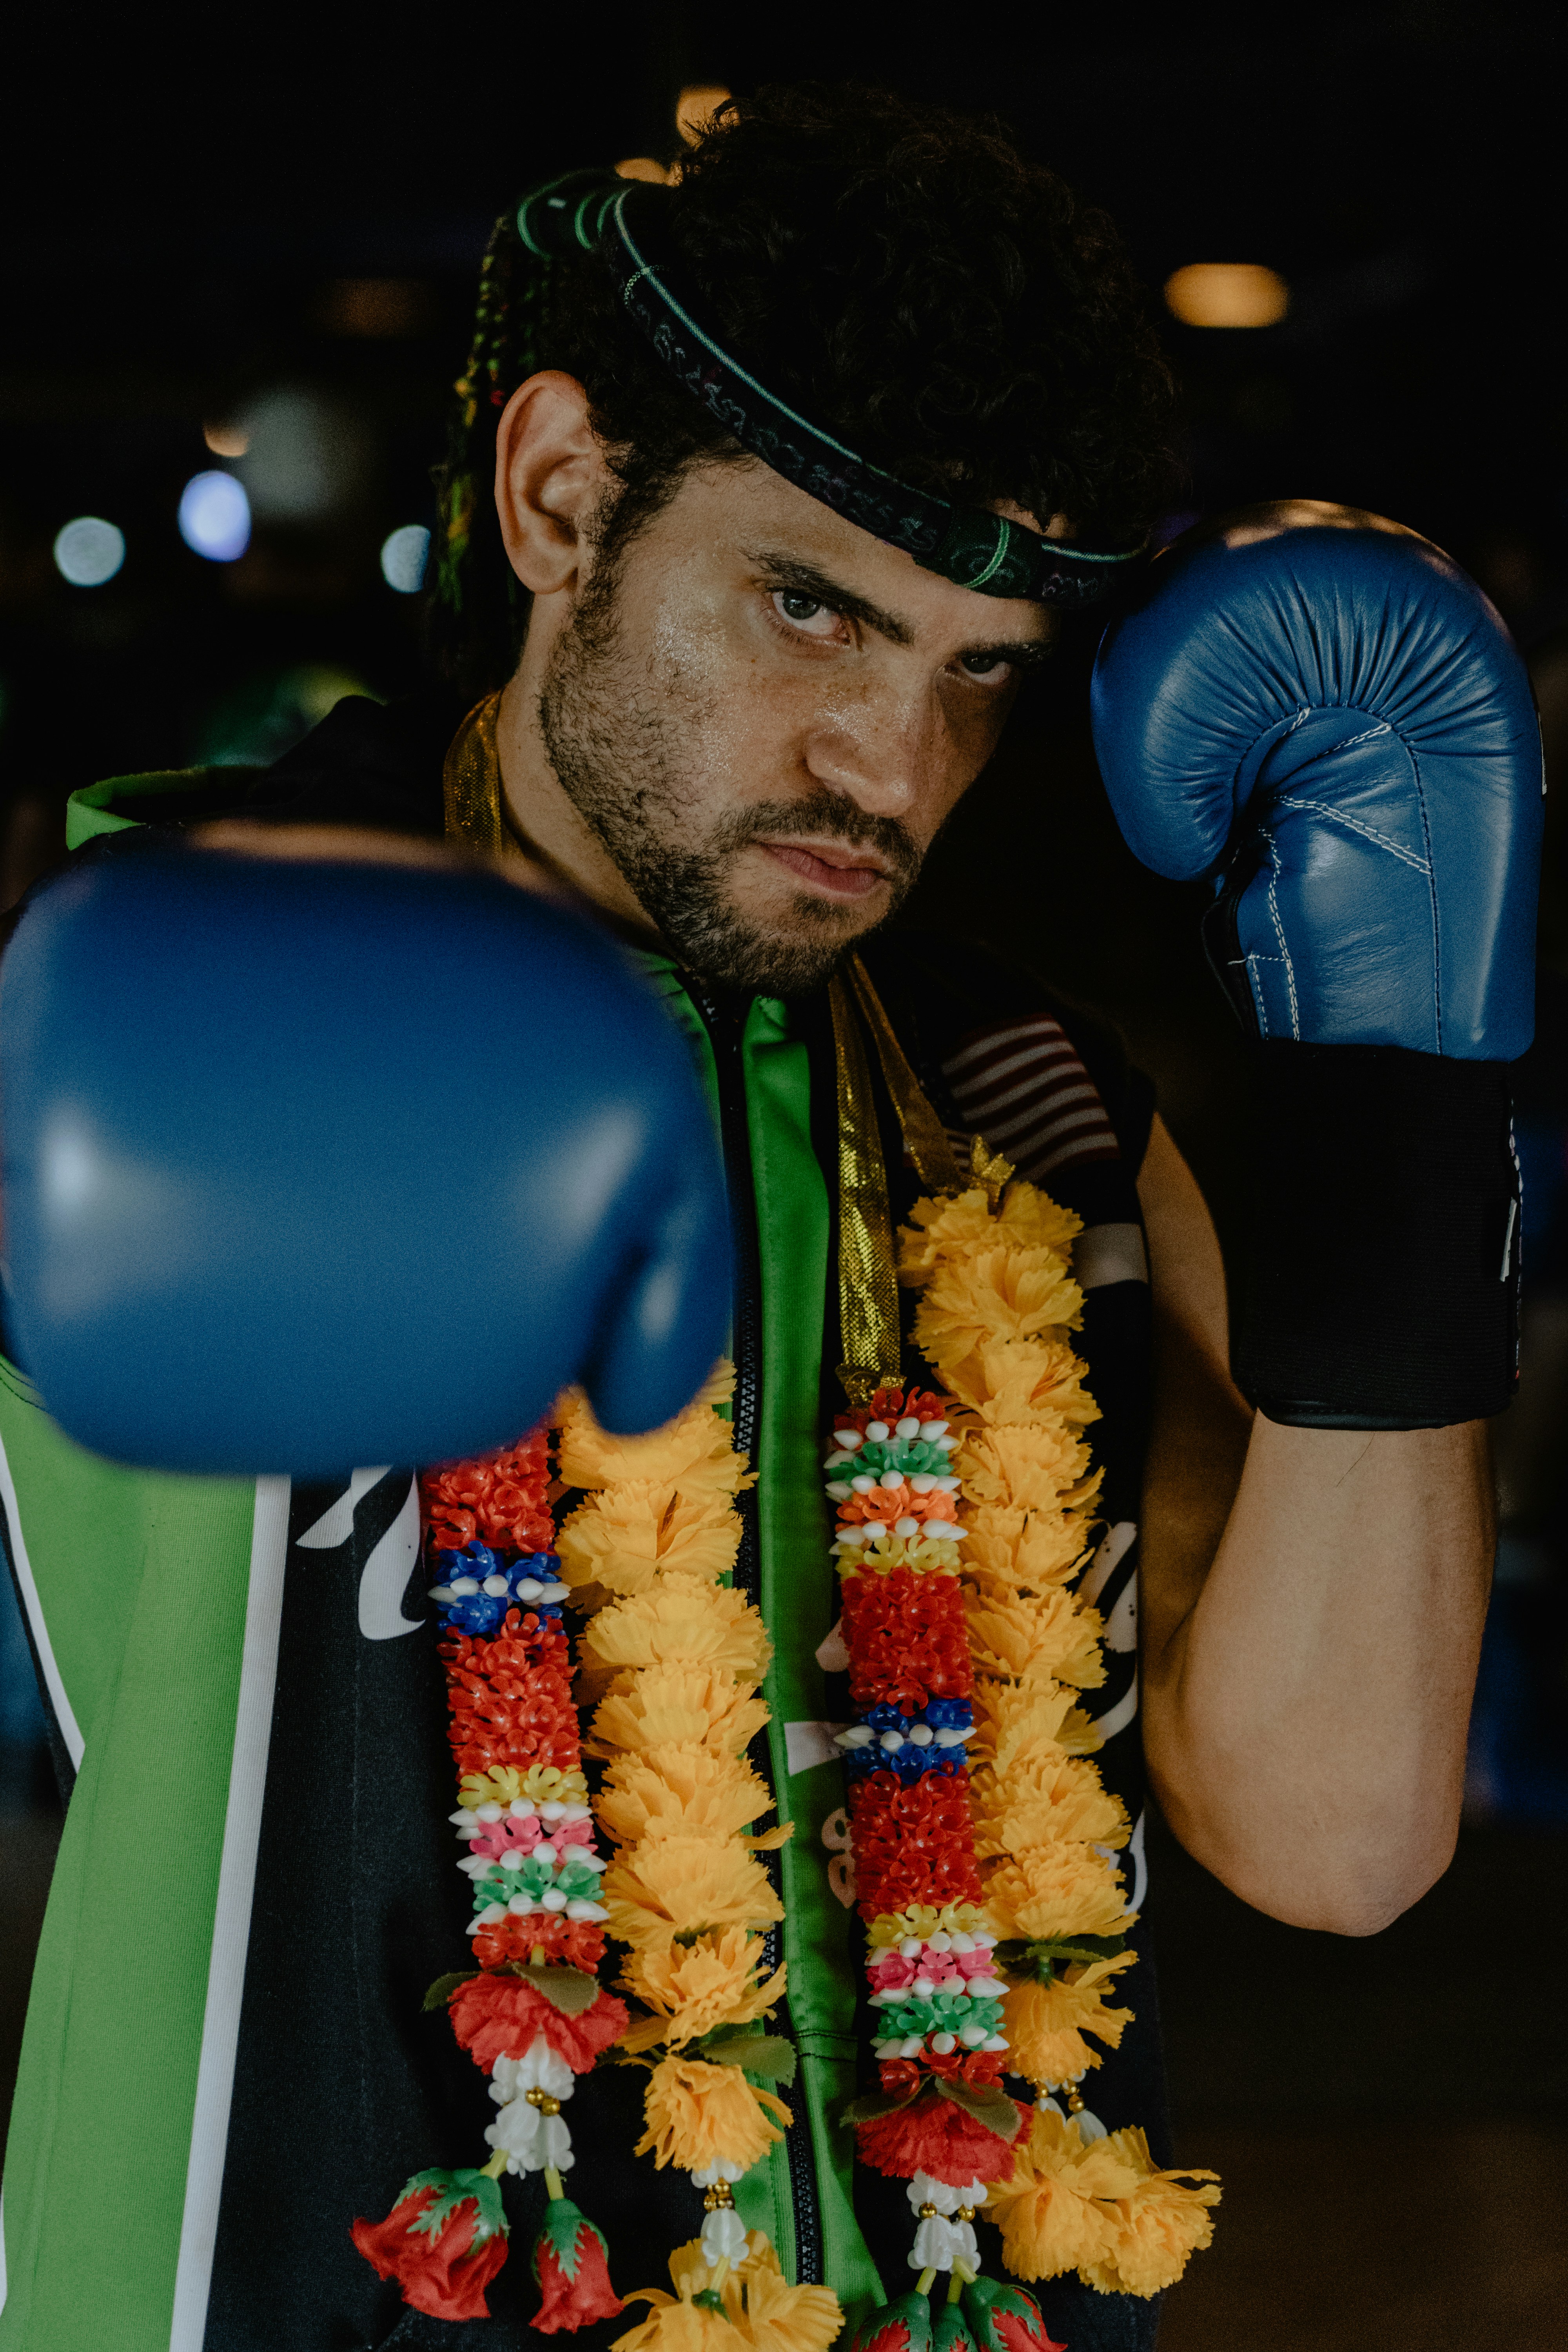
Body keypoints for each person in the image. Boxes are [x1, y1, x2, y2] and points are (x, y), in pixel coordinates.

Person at [0, 84, 1524, 2352]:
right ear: (557, 495)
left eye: (982, 665)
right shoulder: (194, 975)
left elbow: (1339, 1838)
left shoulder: (1057, 1124)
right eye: (812, 608)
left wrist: (1395, 1098)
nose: (894, 769)